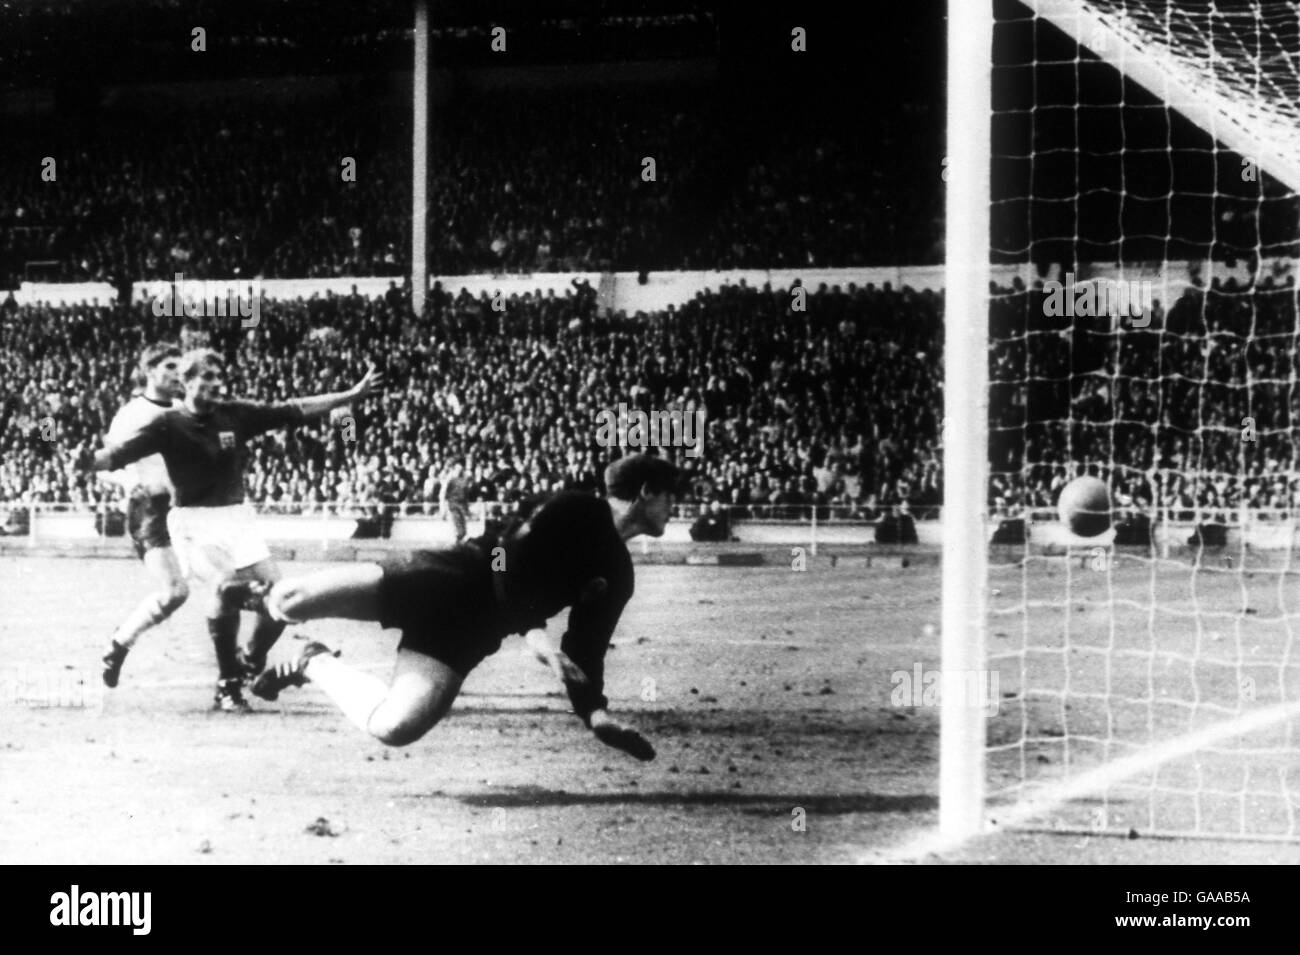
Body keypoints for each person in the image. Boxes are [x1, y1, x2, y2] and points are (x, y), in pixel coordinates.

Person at [239, 454, 681, 760]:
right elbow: (502, 557)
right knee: (288, 599)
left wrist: (595, 713)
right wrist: (532, 630)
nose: (673, 506)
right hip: (445, 579)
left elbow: (585, 649)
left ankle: (310, 661)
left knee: (395, 728)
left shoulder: (620, 575)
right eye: (670, 496)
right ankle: (232, 593)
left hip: (469, 634)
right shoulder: (576, 507)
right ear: (646, 491)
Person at [92, 348, 383, 712]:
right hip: (191, 521)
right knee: (222, 587)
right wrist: (70, 450)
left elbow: (294, 408)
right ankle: (227, 685)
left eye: (220, 376)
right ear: (186, 381)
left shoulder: (234, 414)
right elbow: (114, 455)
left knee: (280, 604)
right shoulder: (165, 422)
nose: (217, 384)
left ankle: (249, 664)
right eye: (208, 377)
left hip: (238, 520)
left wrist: (351, 395)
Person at [99, 342, 188, 688]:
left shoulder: (182, 409)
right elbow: (102, 466)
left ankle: (238, 667)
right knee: (174, 593)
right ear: (150, 371)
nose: (177, 374)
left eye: (180, 367)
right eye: (169, 367)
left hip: (188, 508)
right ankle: (120, 643)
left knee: (231, 579)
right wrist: (132, 482)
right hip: (149, 511)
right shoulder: (132, 414)